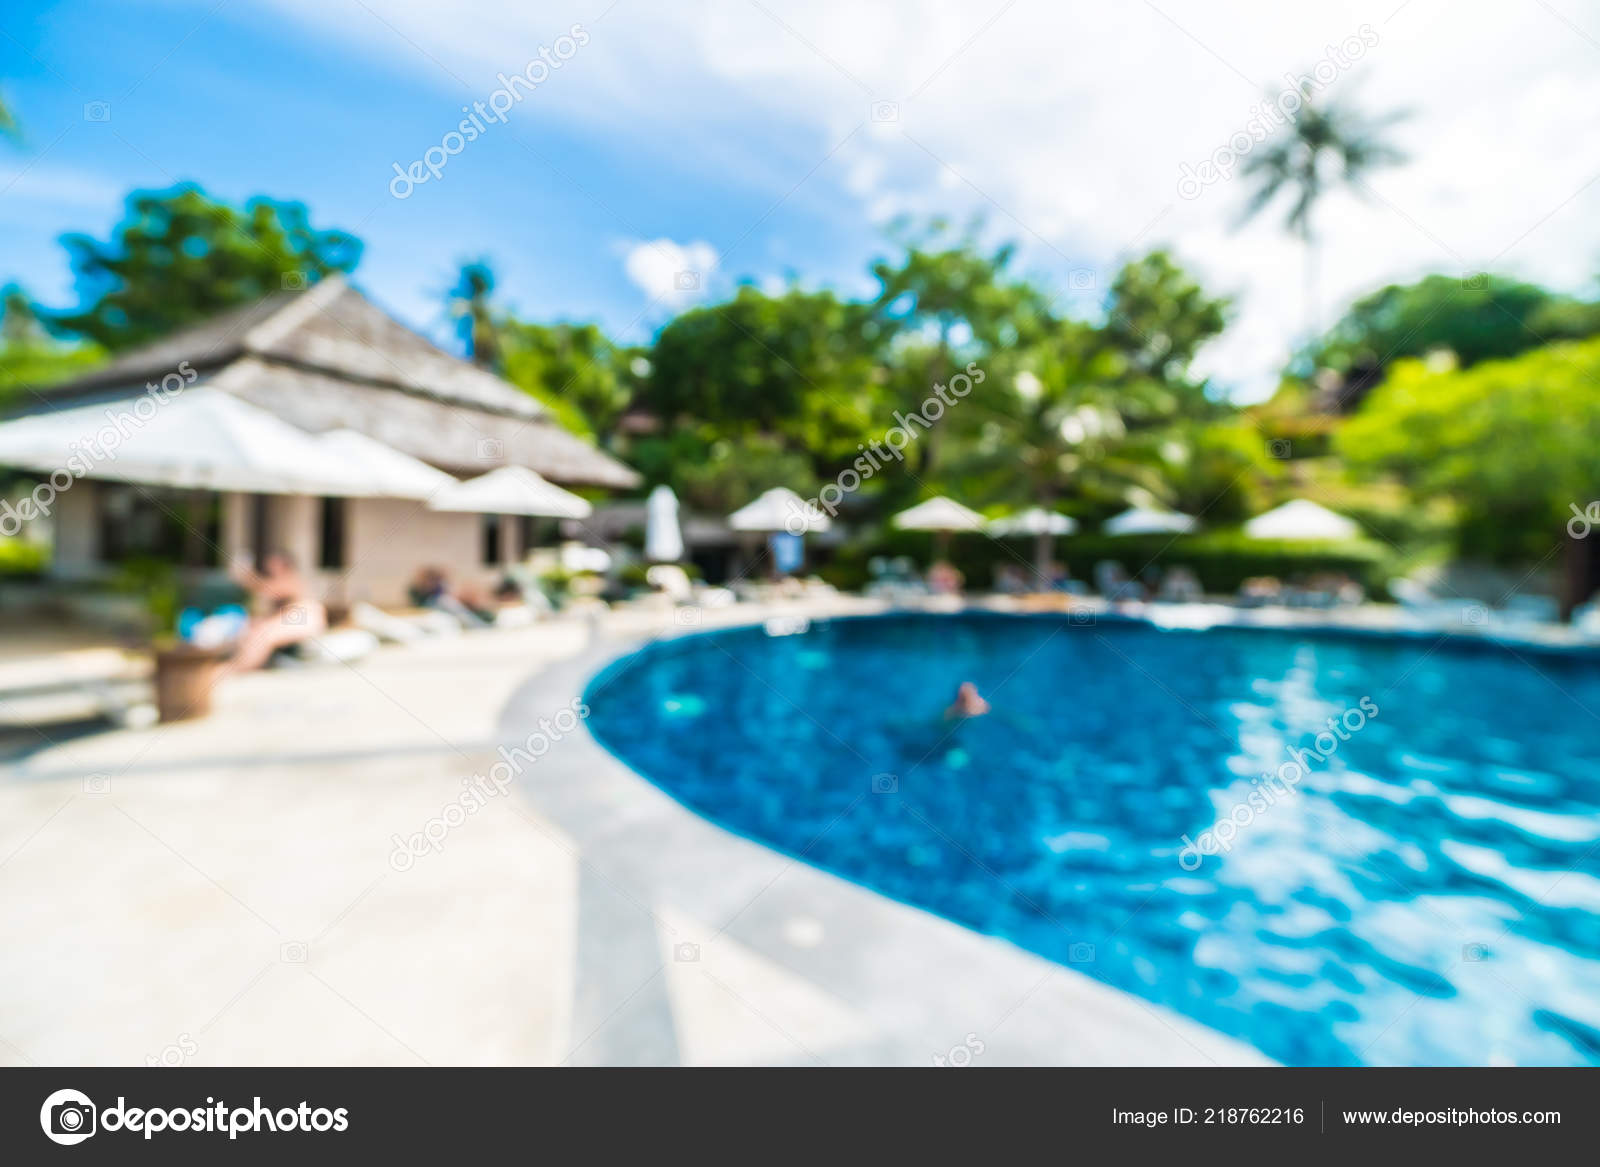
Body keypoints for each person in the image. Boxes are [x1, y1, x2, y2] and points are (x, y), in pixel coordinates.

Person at [224, 551, 326, 672]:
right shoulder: (278, 582)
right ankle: (237, 666)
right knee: (254, 629)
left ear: (285, 567)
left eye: (274, 565)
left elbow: (269, 589)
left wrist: (245, 575)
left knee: (263, 634)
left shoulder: (291, 580)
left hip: (306, 617)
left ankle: (238, 668)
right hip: (294, 618)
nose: (270, 569)